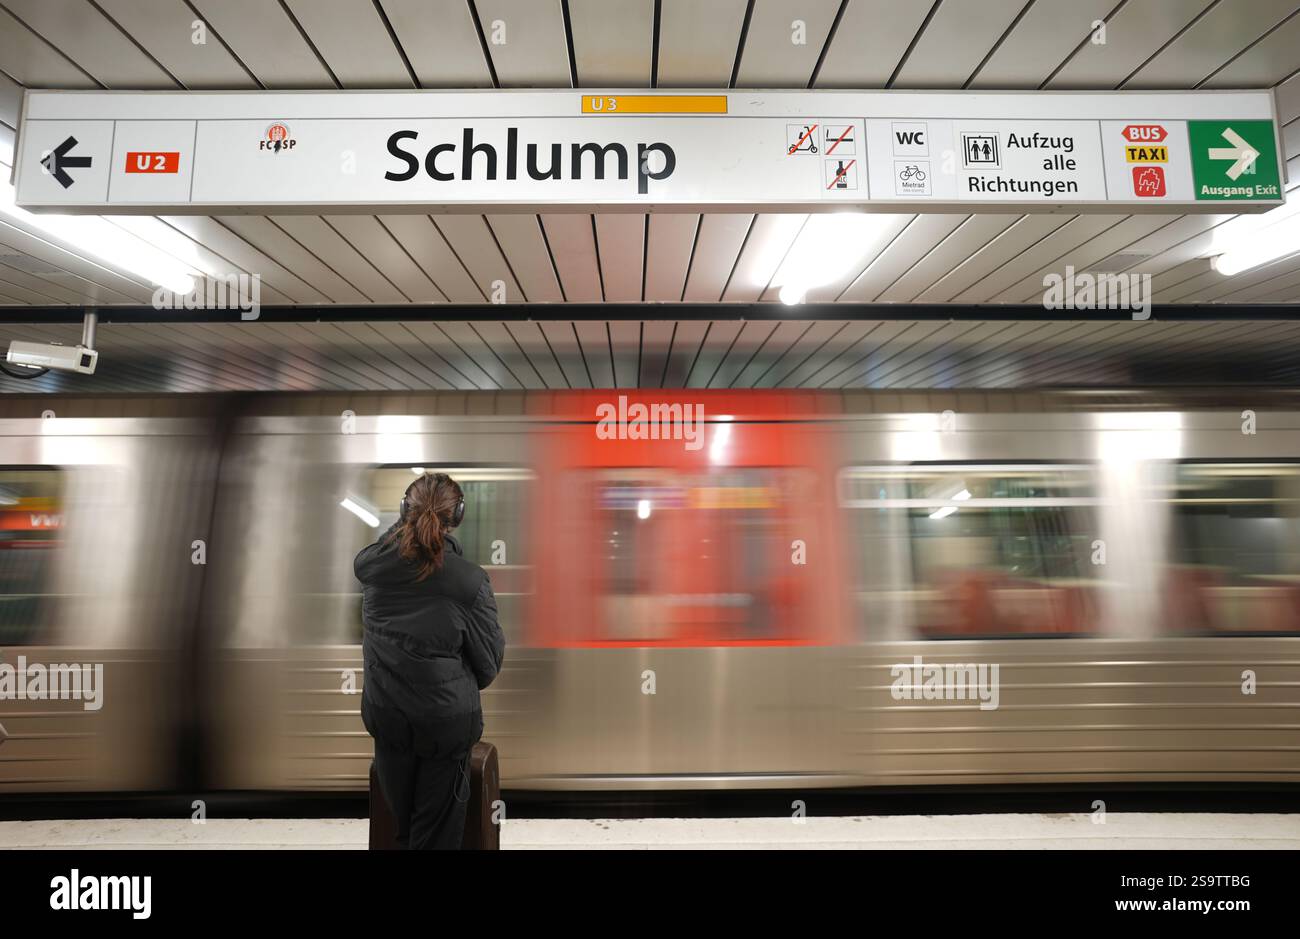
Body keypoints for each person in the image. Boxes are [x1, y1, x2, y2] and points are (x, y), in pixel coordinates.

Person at [355, 472, 505, 849]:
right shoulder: (468, 581)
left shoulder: (374, 571)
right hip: (445, 725)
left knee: (400, 829)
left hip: (387, 719)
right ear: (457, 517)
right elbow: (488, 665)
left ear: (404, 510)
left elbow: (389, 548)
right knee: (435, 836)